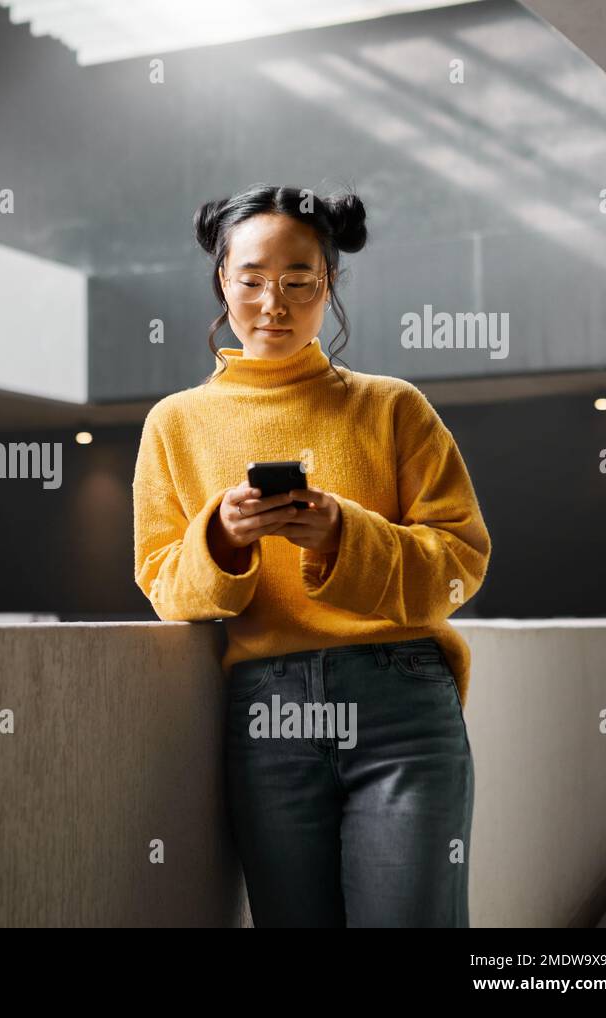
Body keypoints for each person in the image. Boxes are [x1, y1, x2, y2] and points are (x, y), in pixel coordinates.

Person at [131, 184, 492, 927]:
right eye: (252, 280)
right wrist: (222, 537)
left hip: (401, 707)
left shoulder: (392, 407)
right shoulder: (174, 424)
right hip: (269, 716)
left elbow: (460, 561)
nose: (274, 304)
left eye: (299, 281)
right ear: (222, 281)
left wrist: (343, 536)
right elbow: (162, 582)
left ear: (329, 284)